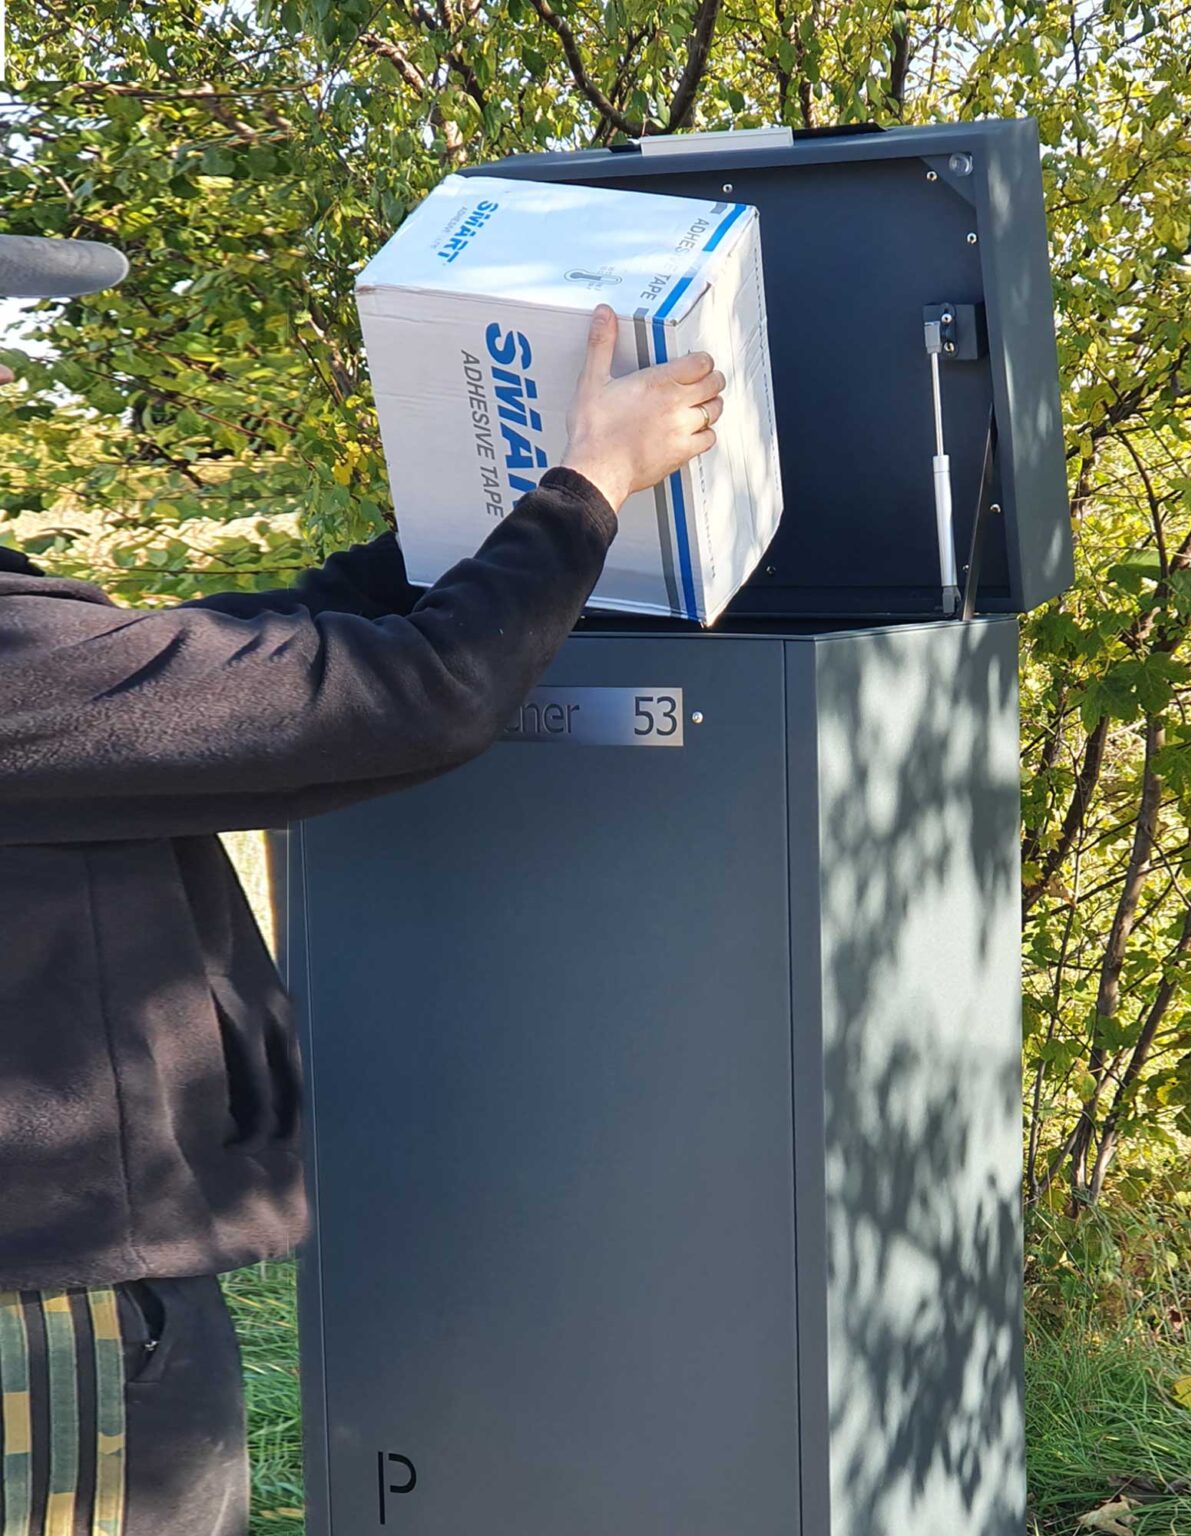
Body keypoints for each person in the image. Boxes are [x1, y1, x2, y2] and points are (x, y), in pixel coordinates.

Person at [0, 232, 726, 1534]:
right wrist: (592, 483)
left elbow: (217, 666)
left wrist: (461, 538)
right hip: (47, 1333)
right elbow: (410, 700)